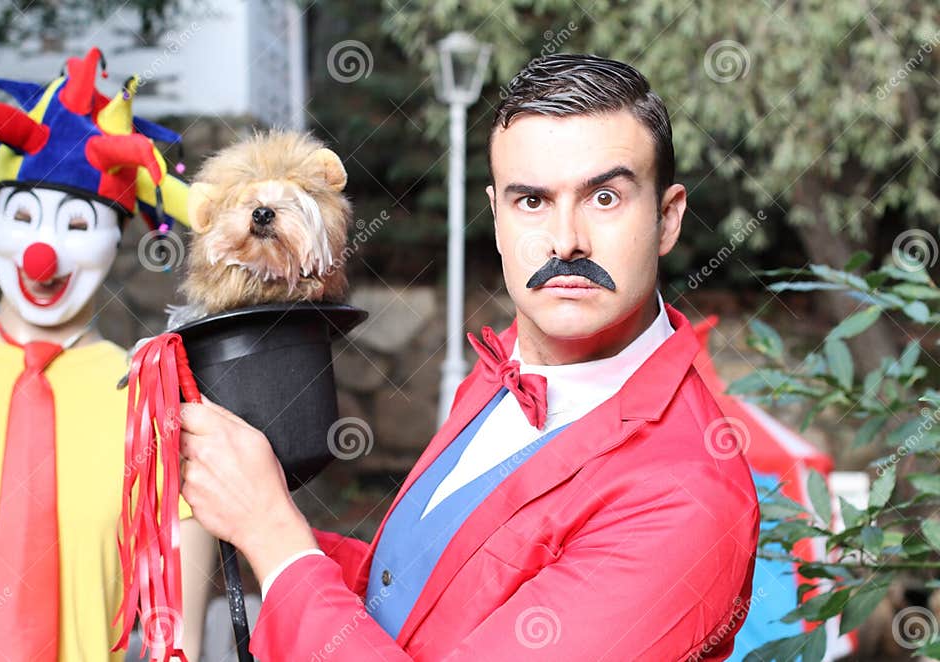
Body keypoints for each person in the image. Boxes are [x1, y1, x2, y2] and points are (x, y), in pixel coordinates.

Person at [178, 54, 760, 661]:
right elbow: (409, 602)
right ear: (498, 216)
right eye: (531, 201)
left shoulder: (686, 495)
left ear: (667, 219)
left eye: (605, 197)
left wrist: (276, 541)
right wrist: (252, 510)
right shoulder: (504, 366)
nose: (566, 241)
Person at [0, 48, 214, 661]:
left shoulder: (156, 400)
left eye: (75, 225)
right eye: (22, 215)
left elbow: (181, 645)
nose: (45, 253)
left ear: (115, 241)